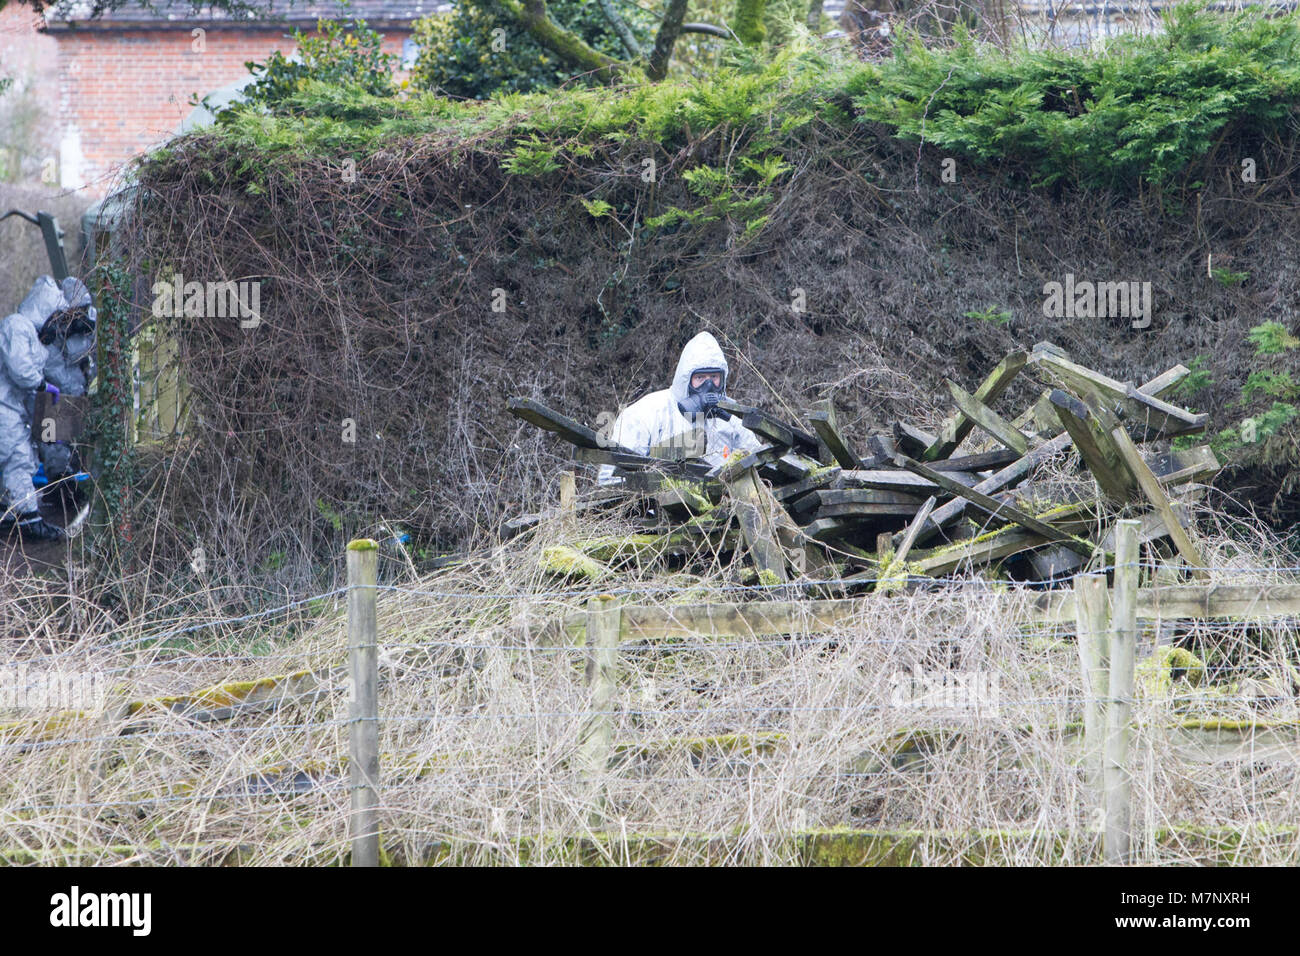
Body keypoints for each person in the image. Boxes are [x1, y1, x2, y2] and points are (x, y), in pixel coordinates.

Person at [597, 331, 764, 484]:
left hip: (723, 510)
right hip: (656, 510)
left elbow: (759, 462)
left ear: (723, 378)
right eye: (700, 378)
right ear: (686, 379)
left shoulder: (731, 418)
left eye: (714, 377)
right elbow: (610, 479)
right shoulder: (648, 412)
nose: (709, 385)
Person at [0, 275, 91, 542]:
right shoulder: (16, 325)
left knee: (20, 458)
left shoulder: (31, 332)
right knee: (18, 459)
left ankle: (11, 512)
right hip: (4, 408)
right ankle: (30, 520)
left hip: (13, 408)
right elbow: (20, 369)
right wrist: (41, 385)